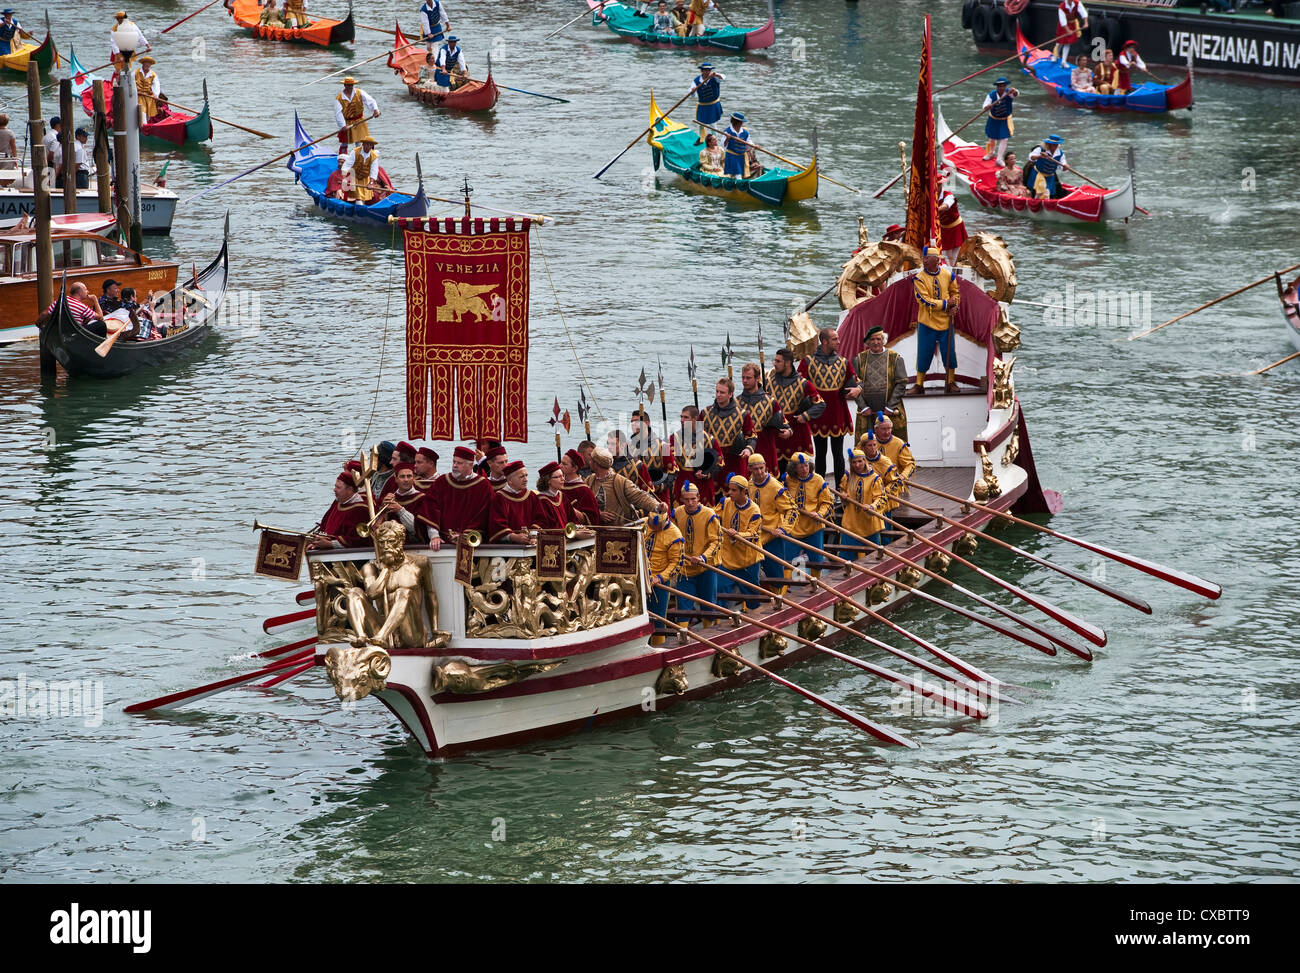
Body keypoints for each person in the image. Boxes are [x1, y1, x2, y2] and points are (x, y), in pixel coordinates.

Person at [799, 327, 857, 486]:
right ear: (824, 341)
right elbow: (799, 386)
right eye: (834, 339)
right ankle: (820, 488)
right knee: (820, 453)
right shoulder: (808, 362)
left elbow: (854, 381)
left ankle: (840, 489)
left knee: (838, 453)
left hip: (837, 411)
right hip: (819, 413)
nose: (838, 341)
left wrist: (858, 389)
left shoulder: (843, 362)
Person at [910, 246, 961, 396]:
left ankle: (950, 382)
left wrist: (955, 307)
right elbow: (924, 300)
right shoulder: (919, 279)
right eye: (924, 259)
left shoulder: (948, 275)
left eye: (927, 259)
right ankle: (919, 384)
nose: (924, 261)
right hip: (927, 322)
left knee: (949, 353)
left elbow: (955, 293)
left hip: (946, 321)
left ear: (935, 260)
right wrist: (947, 304)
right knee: (924, 353)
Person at [767, 347, 824, 474]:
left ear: (787, 363)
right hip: (776, 434)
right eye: (774, 361)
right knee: (778, 473)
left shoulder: (803, 383)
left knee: (798, 473)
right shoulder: (768, 383)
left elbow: (820, 404)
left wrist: (805, 415)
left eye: (778, 361)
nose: (774, 364)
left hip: (797, 433)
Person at [672, 480, 721, 626]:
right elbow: (673, 538)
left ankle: (709, 635)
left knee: (708, 604)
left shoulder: (709, 515)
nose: (690, 503)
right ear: (681, 500)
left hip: (707, 567)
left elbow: (717, 541)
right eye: (686, 499)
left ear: (699, 497)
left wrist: (703, 557)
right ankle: (683, 637)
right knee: (683, 606)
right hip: (685, 567)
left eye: (693, 499)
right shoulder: (677, 513)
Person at [745, 454, 794, 593]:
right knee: (749, 570)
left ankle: (778, 599)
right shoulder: (748, 485)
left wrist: (783, 529)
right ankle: (750, 603)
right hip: (753, 536)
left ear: (766, 466)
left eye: (761, 468)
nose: (759, 472)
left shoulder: (775, 487)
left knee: (775, 573)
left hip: (772, 536)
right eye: (755, 469)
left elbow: (792, 510)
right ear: (749, 469)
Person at [426, 445, 492, 547]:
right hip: (443, 541)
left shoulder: (483, 486)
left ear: (470, 466)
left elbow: (483, 516)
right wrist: (434, 536)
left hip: (473, 541)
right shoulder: (441, 482)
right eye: (454, 462)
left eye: (459, 463)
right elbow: (430, 510)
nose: (455, 466)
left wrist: (465, 536)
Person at [715, 475, 764, 611]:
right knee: (720, 591)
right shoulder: (725, 503)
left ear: (744, 492)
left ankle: (755, 617)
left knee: (752, 596)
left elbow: (754, 534)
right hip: (727, 558)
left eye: (734, 490)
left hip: (748, 560)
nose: (729, 493)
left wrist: (738, 535)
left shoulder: (754, 510)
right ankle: (719, 621)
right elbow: (712, 515)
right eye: (729, 489)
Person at [854, 325, 909, 440]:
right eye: (872, 339)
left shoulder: (895, 358)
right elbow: (854, 385)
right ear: (868, 342)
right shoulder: (859, 359)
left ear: (883, 340)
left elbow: (902, 384)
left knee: (892, 444)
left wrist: (890, 407)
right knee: (867, 445)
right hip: (867, 412)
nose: (875, 342)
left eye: (878, 339)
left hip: (890, 411)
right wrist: (863, 407)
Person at [586, 447, 667, 524]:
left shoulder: (620, 481)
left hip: (620, 532)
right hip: (595, 530)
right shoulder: (589, 481)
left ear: (596, 464)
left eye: (591, 461)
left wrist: (657, 506)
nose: (589, 463)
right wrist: (598, 514)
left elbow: (640, 496)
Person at [783, 451, 833, 574]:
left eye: (806, 465)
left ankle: (815, 586)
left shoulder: (818, 480)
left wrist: (819, 514)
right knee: (786, 562)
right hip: (793, 527)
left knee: (817, 563)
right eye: (801, 467)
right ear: (794, 469)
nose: (805, 469)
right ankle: (785, 591)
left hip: (813, 527)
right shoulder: (787, 480)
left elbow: (827, 502)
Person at [702, 376, 755, 486]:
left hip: (734, 463)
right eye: (717, 391)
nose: (718, 395)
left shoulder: (743, 414)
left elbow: (751, 436)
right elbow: (694, 437)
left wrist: (748, 449)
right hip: (712, 463)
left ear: (730, 394)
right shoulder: (704, 413)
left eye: (722, 392)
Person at [737, 361, 789, 473]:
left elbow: (786, 426)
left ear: (758, 378)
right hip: (744, 453)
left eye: (748, 378)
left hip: (766, 450)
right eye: (743, 377)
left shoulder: (771, 402)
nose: (744, 381)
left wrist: (787, 432)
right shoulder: (736, 402)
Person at [644, 511, 686, 645]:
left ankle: (658, 648)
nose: (652, 529)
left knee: (658, 621)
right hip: (640, 578)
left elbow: (676, 563)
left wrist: (660, 578)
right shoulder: (645, 523)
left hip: (658, 583)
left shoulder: (675, 535)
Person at [838, 448, 886, 555]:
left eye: (860, 461)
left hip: (870, 524)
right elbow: (842, 490)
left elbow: (881, 498)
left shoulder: (875, 478)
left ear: (865, 461)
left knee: (874, 557)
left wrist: (872, 506)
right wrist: (843, 495)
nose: (857, 465)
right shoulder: (848, 476)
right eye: (854, 462)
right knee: (847, 558)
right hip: (851, 523)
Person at [857, 430, 903, 543]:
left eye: (874, 444)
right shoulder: (858, 461)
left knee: (884, 534)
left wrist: (885, 491)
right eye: (869, 445)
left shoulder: (885, 462)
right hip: (864, 502)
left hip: (882, 502)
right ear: (863, 447)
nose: (873, 448)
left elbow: (896, 482)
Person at [670, 406, 717, 506]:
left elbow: (719, 462)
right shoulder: (674, 438)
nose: (682, 420)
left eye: (686, 417)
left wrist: (706, 473)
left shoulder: (710, 439)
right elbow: (669, 461)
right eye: (681, 417)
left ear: (695, 419)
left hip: (703, 485)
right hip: (682, 483)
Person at [309, 471, 369, 550]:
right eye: (335, 486)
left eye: (338, 487)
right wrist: (316, 541)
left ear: (350, 490)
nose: (334, 490)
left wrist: (330, 544)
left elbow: (358, 540)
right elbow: (325, 524)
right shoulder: (338, 501)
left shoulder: (360, 510)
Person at [380, 462, 437, 544]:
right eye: (402, 477)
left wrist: (400, 511)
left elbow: (417, 530)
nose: (406, 480)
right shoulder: (389, 498)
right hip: (390, 545)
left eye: (409, 476)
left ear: (413, 478)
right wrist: (382, 510)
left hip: (414, 546)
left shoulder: (423, 499)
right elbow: (378, 528)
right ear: (396, 479)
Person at [489, 460, 541, 545]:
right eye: (521, 477)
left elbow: (540, 519)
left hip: (533, 542)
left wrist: (533, 535)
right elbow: (497, 526)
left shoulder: (531, 496)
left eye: (526, 476)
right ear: (510, 481)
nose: (526, 480)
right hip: (509, 546)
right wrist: (514, 537)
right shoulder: (500, 498)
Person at [334, 77, 379, 155]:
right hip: (346, 122)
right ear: (344, 85)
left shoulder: (359, 93)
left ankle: (360, 157)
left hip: (359, 120)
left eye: (351, 85)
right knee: (344, 143)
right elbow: (338, 113)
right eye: (348, 85)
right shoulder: (339, 98)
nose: (349, 87)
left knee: (360, 142)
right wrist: (342, 125)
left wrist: (375, 110)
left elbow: (370, 101)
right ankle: (342, 158)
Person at [981, 77, 1018, 167]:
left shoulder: (1009, 93)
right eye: (1000, 86)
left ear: (1006, 86)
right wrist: (988, 107)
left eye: (1003, 86)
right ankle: (991, 153)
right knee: (992, 138)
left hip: (1004, 120)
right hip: (994, 119)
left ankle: (999, 158)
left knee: (1004, 139)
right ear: (997, 87)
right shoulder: (991, 95)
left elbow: (1016, 94)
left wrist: (1014, 91)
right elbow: (985, 106)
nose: (1002, 88)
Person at [560, 449, 601, 525]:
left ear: (575, 468)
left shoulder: (584, 491)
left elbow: (593, 518)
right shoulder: (558, 486)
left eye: (564, 464)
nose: (560, 466)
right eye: (561, 463)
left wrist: (571, 510)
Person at [937, 173, 968, 265]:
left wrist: (934, 210)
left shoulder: (948, 195)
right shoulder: (931, 196)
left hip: (955, 226)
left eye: (938, 185)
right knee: (949, 253)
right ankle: (951, 268)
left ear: (941, 185)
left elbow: (946, 206)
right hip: (944, 227)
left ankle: (955, 271)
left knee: (955, 254)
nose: (936, 188)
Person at [690, 62, 724, 143]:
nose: (707, 72)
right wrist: (692, 91)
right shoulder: (696, 80)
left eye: (708, 70)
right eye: (705, 70)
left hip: (713, 104)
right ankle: (701, 139)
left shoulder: (715, 77)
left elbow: (723, 77)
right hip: (703, 105)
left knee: (713, 123)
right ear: (701, 71)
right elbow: (692, 94)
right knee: (701, 123)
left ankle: (715, 140)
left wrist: (716, 75)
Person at [1027, 133, 1068, 200]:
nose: (1055, 146)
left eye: (1057, 144)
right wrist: (1040, 156)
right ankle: (1037, 202)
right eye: (1054, 144)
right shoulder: (1040, 149)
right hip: (1038, 175)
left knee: (1050, 193)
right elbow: (1031, 157)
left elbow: (1063, 166)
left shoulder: (1060, 153)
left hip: (1050, 177)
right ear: (1049, 144)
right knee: (1042, 192)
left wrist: (1065, 166)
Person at [534, 462, 571, 530]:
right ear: (548, 480)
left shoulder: (562, 496)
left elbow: (572, 519)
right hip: (554, 538)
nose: (563, 479)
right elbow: (549, 528)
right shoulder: (542, 501)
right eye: (558, 477)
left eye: (563, 475)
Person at [351, 137, 381, 205]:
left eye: (371, 145)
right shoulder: (355, 160)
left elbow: (381, 179)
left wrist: (372, 184)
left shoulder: (377, 167)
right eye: (367, 145)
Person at [722, 112, 750, 177]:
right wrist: (727, 139)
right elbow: (723, 145)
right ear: (736, 122)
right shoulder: (727, 131)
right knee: (738, 174)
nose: (741, 124)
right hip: (732, 156)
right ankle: (739, 184)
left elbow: (749, 143)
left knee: (738, 174)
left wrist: (754, 146)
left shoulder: (745, 133)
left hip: (741, 157)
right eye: (740, 122)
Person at [134, 55, 161, 121]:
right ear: (143, 63)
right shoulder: (136, 72)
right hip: (139, 95)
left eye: (149, 63)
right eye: (146, 63)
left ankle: (145, 127)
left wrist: (156, 95)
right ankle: (143, 125)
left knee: (148, 115)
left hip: (149, 96)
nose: (147, 65)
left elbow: (156, 85)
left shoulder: (153, 74)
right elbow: (131, 83)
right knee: (142, 112)